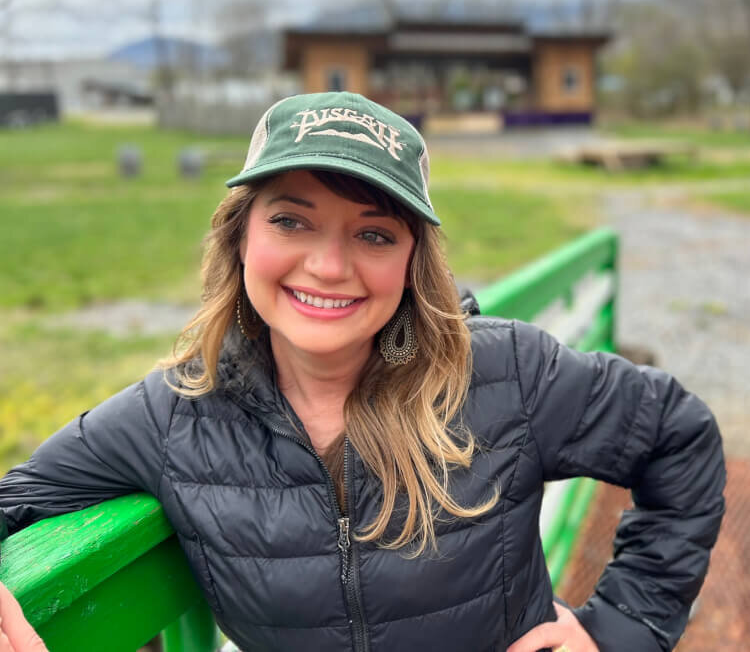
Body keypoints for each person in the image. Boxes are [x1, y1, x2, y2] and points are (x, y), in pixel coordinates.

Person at [0, 92, 725, 652]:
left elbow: (678, 435)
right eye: (292, 220)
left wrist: (623, 622)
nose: (329, 266)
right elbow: (17, 500)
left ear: (412, 260)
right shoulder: (172, 415)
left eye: (374, 233)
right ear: (240, 235)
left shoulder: (508, 372)